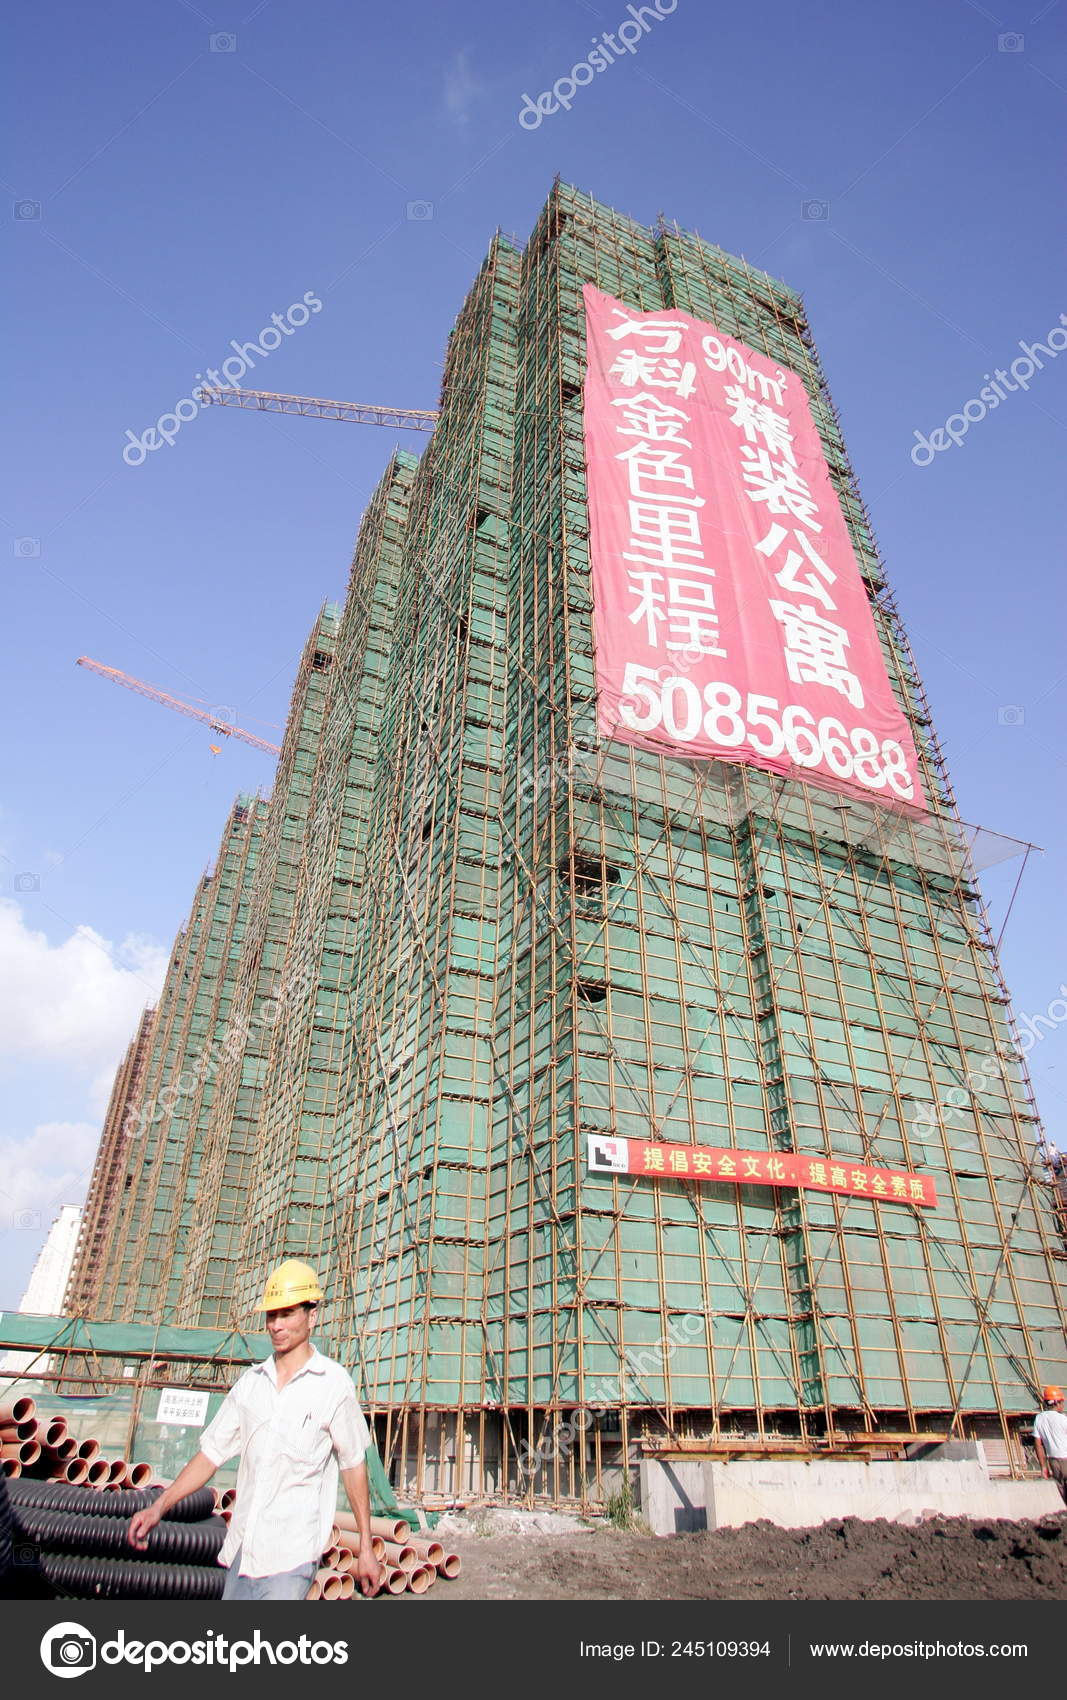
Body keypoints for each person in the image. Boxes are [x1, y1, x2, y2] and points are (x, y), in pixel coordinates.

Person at [128, 1261, 381, 1599]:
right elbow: (210, 1455)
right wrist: (159, 1506)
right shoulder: (251, 1385)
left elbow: (353, 1465)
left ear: (312, 1316)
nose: (277, 1325)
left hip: (293, 1556)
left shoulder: (333, 1385)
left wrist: (366, 1547)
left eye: (287, 1314)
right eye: (271, 1315)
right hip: (243, 1550)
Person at [1033, 1384, 1067, 1508]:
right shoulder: (1063, 1419)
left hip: (1053, 1461)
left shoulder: (1039, 1419)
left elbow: (1038, 1444)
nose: (1063, 1405)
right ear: (1057, 1402)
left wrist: (1043, 1467)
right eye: (1062, 1402)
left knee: (1063, 1491)